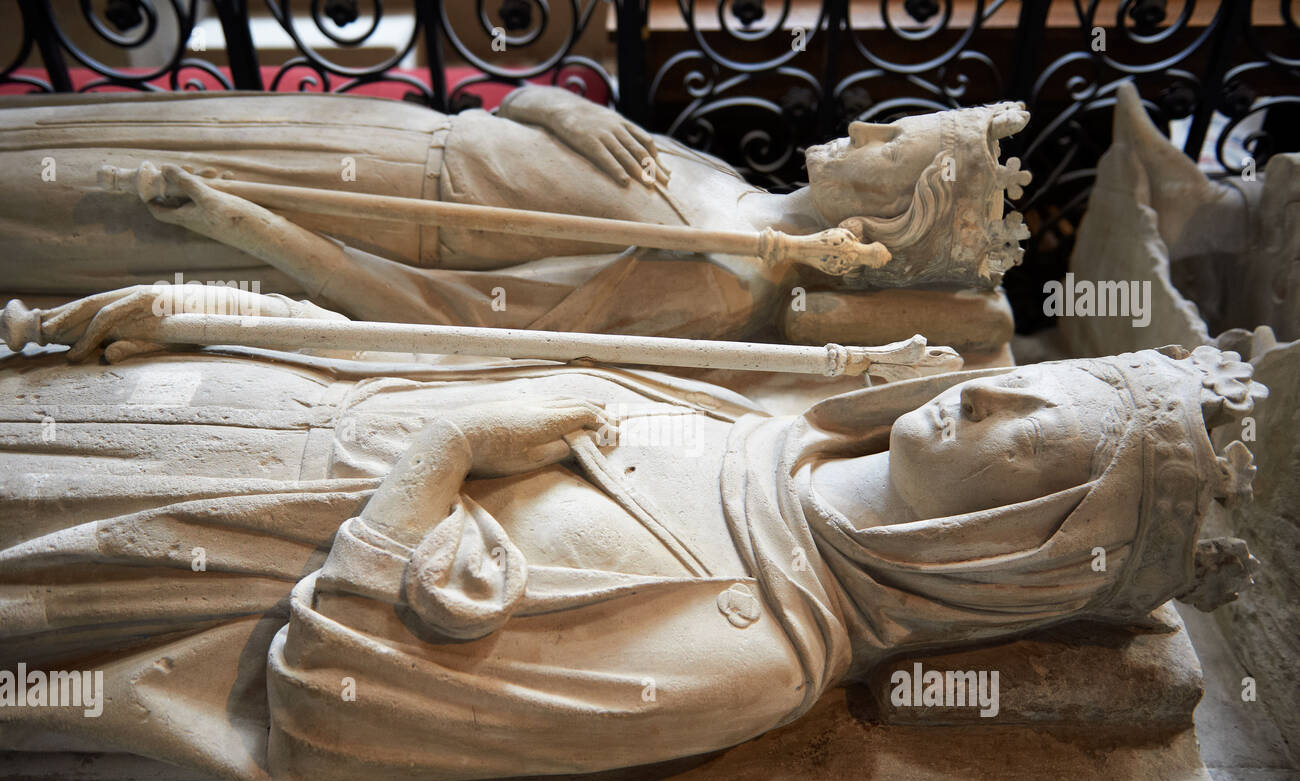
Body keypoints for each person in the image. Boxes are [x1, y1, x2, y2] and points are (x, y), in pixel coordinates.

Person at [0, 336, 1263, 781]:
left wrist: (437, 460)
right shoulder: (740, 422)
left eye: (1030, 423)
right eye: (1017, 373)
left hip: (138, 571)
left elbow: (330, 712)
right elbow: (433, 369)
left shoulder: (751, 648)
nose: (983, 390)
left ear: (1036, 539)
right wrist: (239, 324)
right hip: (189, 415)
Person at [0, 87, 1030, 341]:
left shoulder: (724, 279)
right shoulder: (731, 184)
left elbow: (445, 318)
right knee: (64, 141)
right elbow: (511, 116)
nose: (859, 132)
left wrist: (234, 226)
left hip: (359, 214)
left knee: (70, 202)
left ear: (891, 217)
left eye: (889, 146)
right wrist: (564, 105)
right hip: (386, 140)